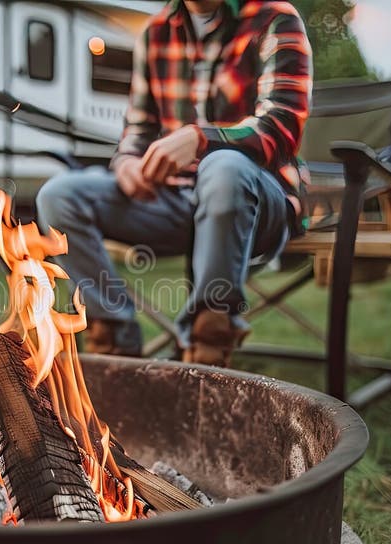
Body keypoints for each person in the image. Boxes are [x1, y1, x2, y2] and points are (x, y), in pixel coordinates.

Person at [36, 0, 311, 366]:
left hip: (254, 204)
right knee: (59, 195)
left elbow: (281, 128)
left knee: (224, 167)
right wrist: (128, 165)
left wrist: (200, 139)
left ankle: (207, 341)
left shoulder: (274, 19)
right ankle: (114, 343)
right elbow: (137, 132)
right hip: (174, 202)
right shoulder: (155, 32)